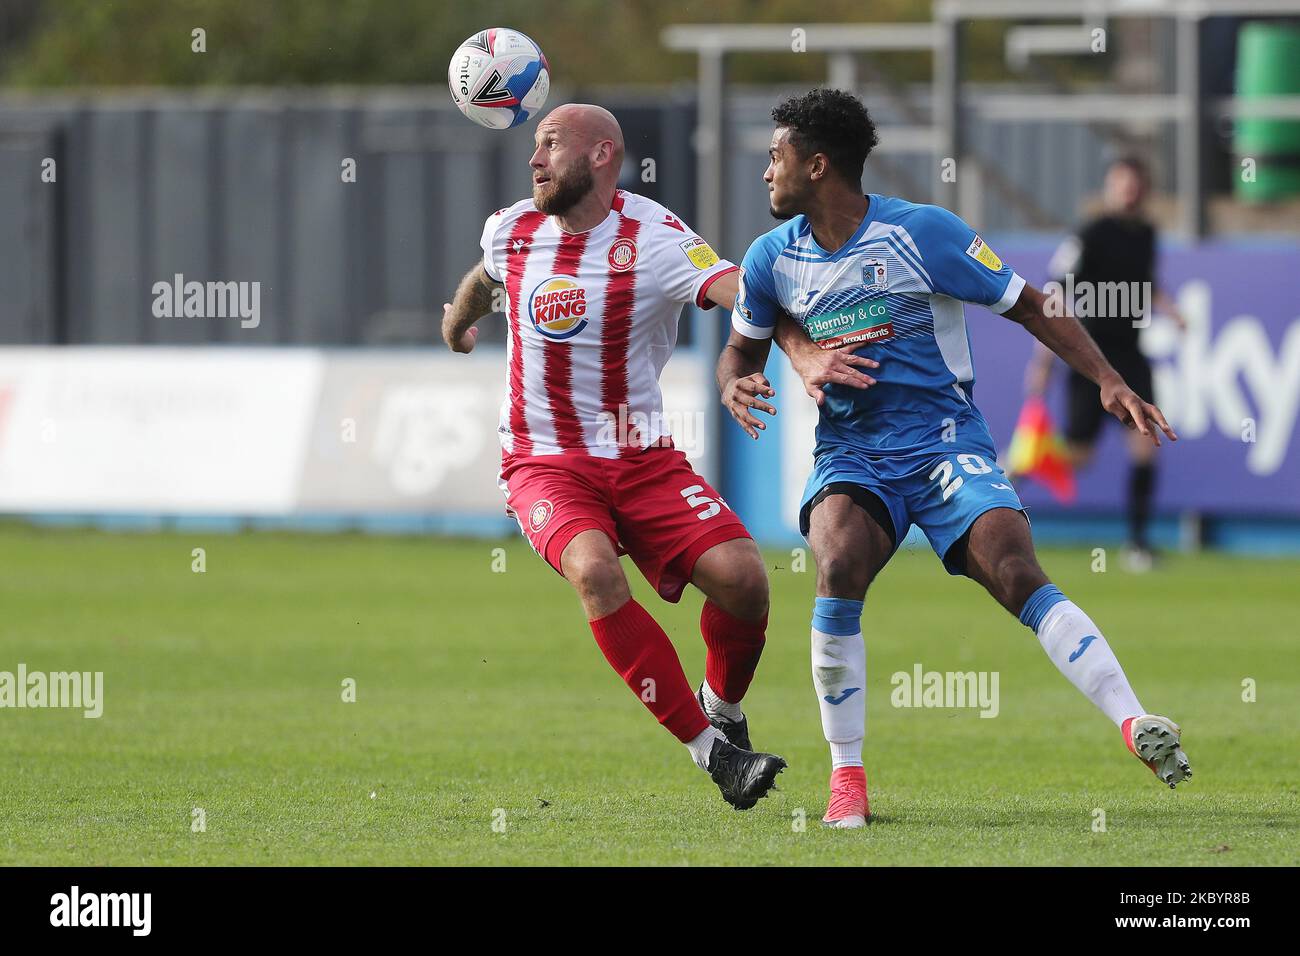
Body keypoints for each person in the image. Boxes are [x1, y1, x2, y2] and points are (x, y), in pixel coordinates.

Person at [716, 89, 1192, 828]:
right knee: (837, 562)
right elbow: (739, 349)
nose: (766, 173)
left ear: (816, 165)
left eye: (776, 157)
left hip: (945, 442)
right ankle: (847, 777)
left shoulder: (923, 233)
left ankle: (1134, 721)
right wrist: (740, 383)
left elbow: (1033, 303)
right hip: (854, 454)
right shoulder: (772, 257)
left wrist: (1108, 379)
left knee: (1014, 566)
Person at [442, 103, 786, 810]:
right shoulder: (514, 230)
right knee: (595, 572)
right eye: (533, 146)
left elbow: (732, 289)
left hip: (640, 457)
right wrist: (455, 325)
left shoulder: (654, 235)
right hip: (544, 463)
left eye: (549, 145)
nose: (534, 160)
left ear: (602, 155)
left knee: (745, 582)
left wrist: (802, 346)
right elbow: (485, 279)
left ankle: (719, 705)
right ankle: (712, 754)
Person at [1025, 155, 1185, 572]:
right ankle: (1016, 468)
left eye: (1136, 184)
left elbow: (1145, 283)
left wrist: (1170, 308)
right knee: (1079, 455)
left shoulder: (1147, 233)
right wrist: (1045, 358)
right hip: (1092, 360)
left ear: (1145, 189)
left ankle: (1137, 544)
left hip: (1131, 357)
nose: (1129, 191)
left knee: (1145, 444)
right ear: (1110, 187)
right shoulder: (1091, 233)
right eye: (1122, 183)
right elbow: (1054, 295)